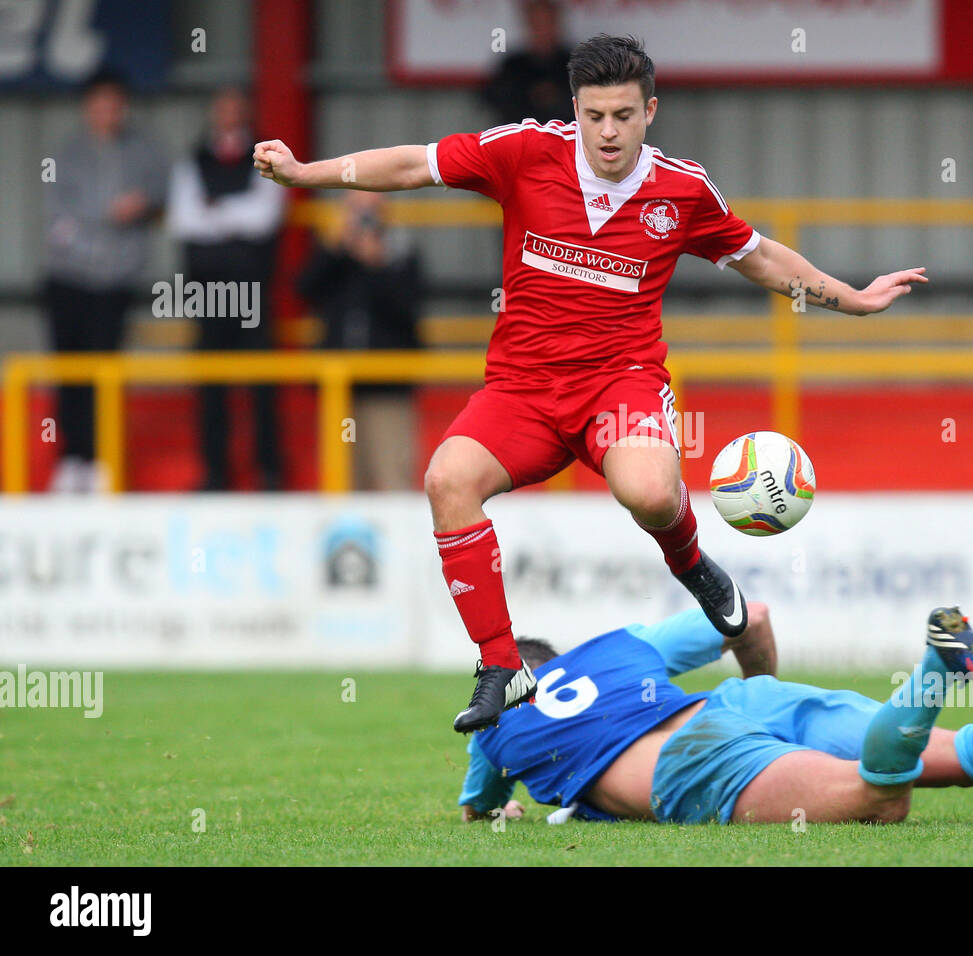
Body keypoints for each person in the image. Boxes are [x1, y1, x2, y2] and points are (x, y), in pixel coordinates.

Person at [253, 34, 928, 732]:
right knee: (446, 480)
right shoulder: (523, 151)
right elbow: (412, 165)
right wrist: (307, 174)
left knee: (651, 494)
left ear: (649, 112)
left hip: (619, 384)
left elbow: (759, 258)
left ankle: (693, 565)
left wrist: (852, 297)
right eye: (594, 115)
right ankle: (501, 665)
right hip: (521, 389)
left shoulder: (682, 190)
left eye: (624, 116)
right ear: (574, 108)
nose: (608, 132)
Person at [458, 605, 973, 826]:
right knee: (963, 758)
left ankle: (937, 665)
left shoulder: (492, 722)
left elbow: (479, 809)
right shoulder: (613, 648)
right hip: (743, 701)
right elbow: (750, 614)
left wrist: (503, 808)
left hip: (692, 760)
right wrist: (764, 695)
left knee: (881, 798)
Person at [43, 67, 168, 493]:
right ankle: (70, 459)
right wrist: (107, 218)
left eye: (114, 103)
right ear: (87, 107)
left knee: (106, 371)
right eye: (99, 103)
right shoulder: (66, 155)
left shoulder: (144, 152)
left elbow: (162, 195)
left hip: (115, 281)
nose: (107, 111)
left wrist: (141, 206)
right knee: (69, 372)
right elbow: (58, 220)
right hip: (68, 278)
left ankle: (100, 458)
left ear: (123, 107)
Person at [168, 86, 286, 491]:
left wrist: (214, 212)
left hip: (253, 288)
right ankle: (215, 473)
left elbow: (265, 218)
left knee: (262, 382)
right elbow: (183, 220)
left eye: (236, 108)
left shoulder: (266, 157)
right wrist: (235, 219)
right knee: (210, 382)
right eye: (222, 108)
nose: (229, 116)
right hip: (207, 291)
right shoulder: (193, 160)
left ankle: (269, 471)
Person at [297, 191, 423, 491]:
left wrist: (376, 265)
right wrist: (338, 249)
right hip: (339, 391)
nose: (365, 219)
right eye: (356, 210)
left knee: (393, 479)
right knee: (343, 481)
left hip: (387, 390)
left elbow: (408, 312)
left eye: (370, 210)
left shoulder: (400, 255)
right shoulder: (334, 254)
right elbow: (304, 289)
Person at [483, 0, 573, 126]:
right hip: (520, 134)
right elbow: (495, 100)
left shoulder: (577, 63)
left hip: (567, 135)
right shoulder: (512, 66)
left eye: (547, 22)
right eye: (537, 24)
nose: (542, 30)